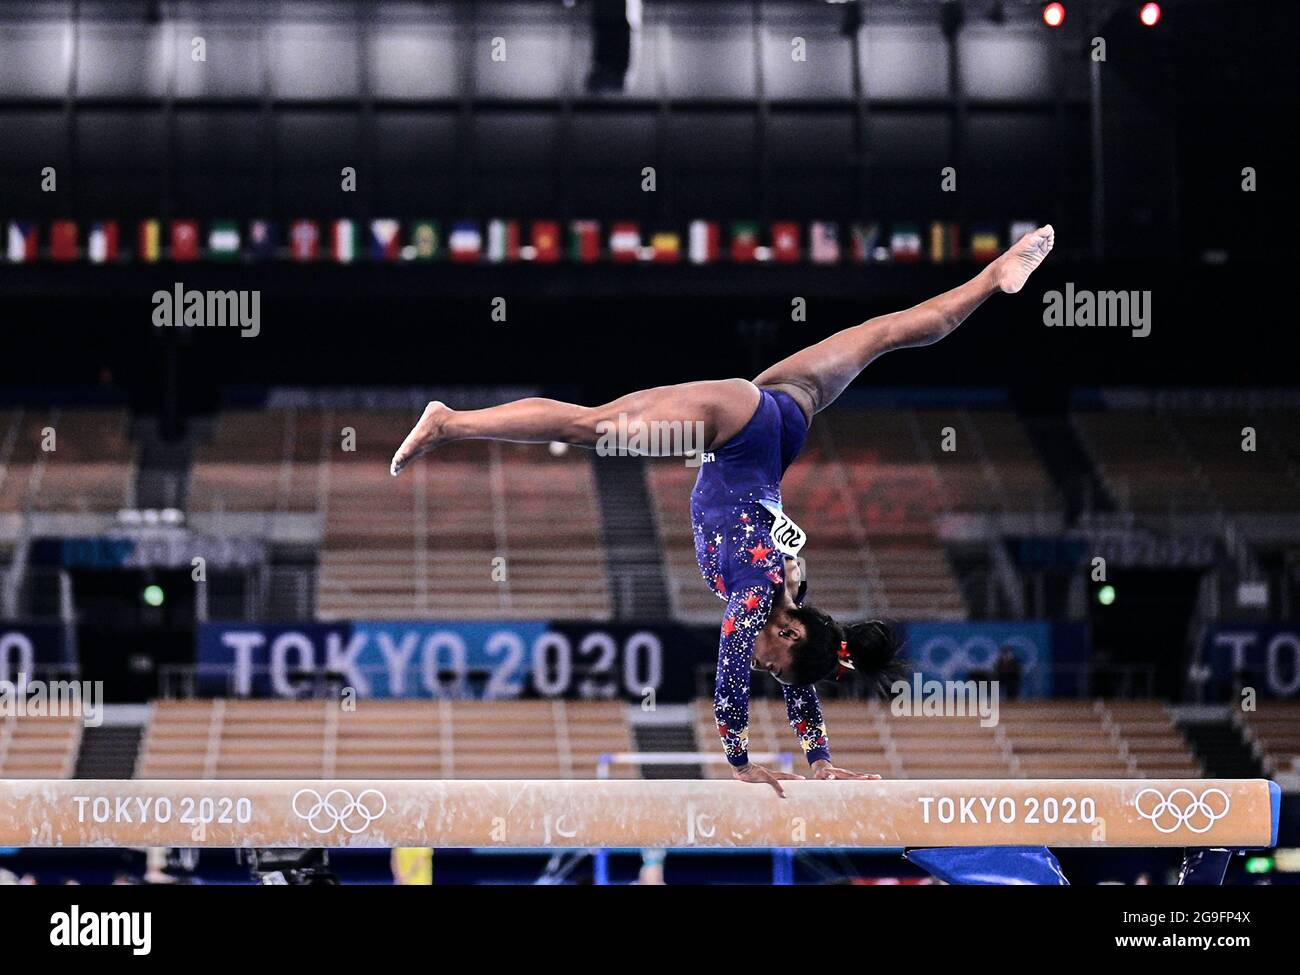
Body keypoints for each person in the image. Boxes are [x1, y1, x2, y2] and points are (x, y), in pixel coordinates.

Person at [391, 226, 1055, 795]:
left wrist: (821, 762)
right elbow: (733, 675)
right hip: (735, 429)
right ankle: (450, 422)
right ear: (790, 635)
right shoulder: (758, 593)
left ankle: (996, 275)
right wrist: (738, 759)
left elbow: (798, 678)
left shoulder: (788, 600)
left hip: (780, 425)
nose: (766, 662)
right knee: (593, 426)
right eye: (776, 658)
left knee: (882, 334)